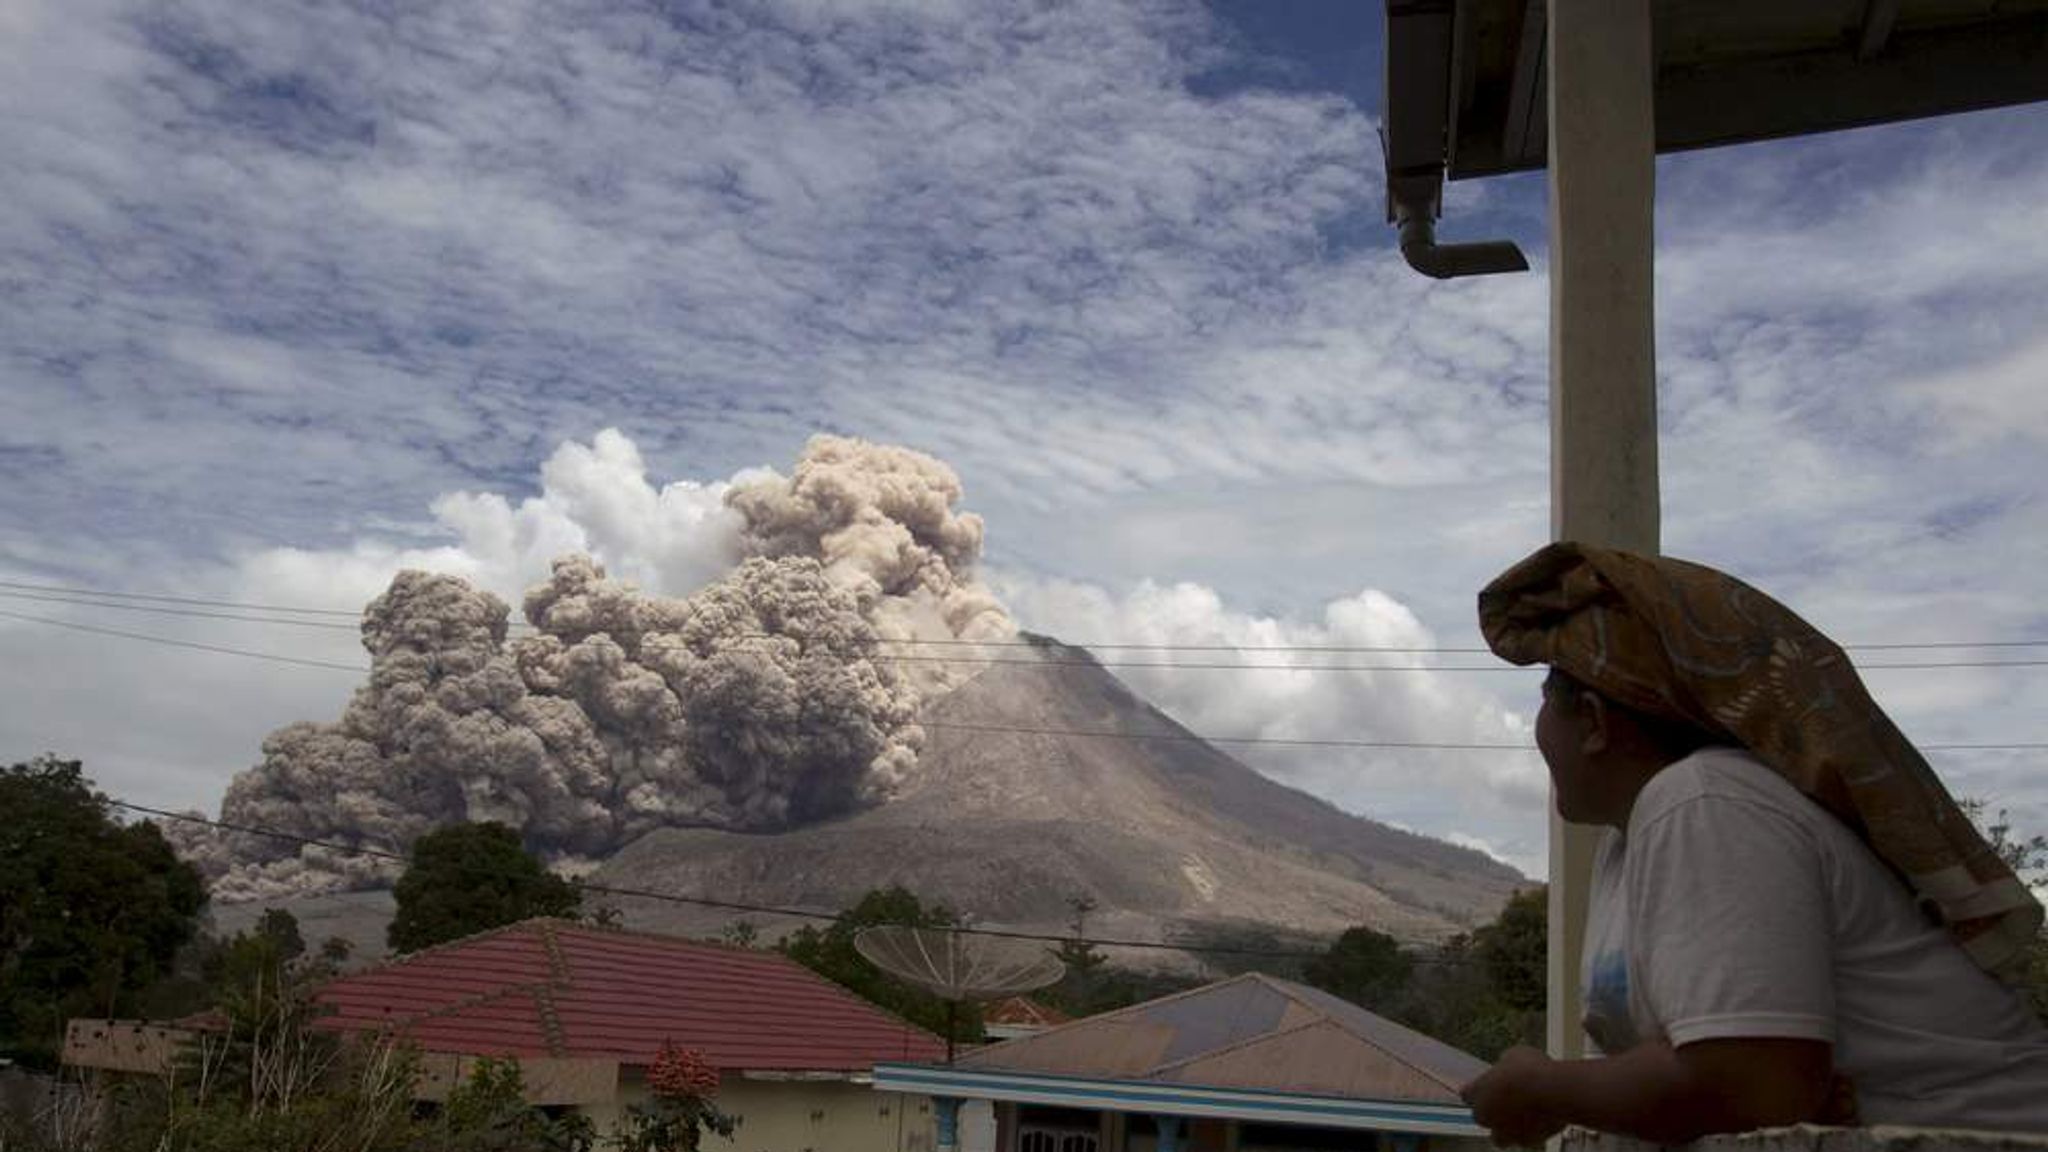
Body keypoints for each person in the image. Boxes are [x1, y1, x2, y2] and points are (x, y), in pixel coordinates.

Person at [1459, 542, 2048, 1145]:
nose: (1538, 732)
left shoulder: (1705, 801)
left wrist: (1544, 1086)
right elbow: (1718, 1083)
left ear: (1592, 720)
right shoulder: (1627, 845)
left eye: (1543, 704)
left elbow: (1751, 1084)